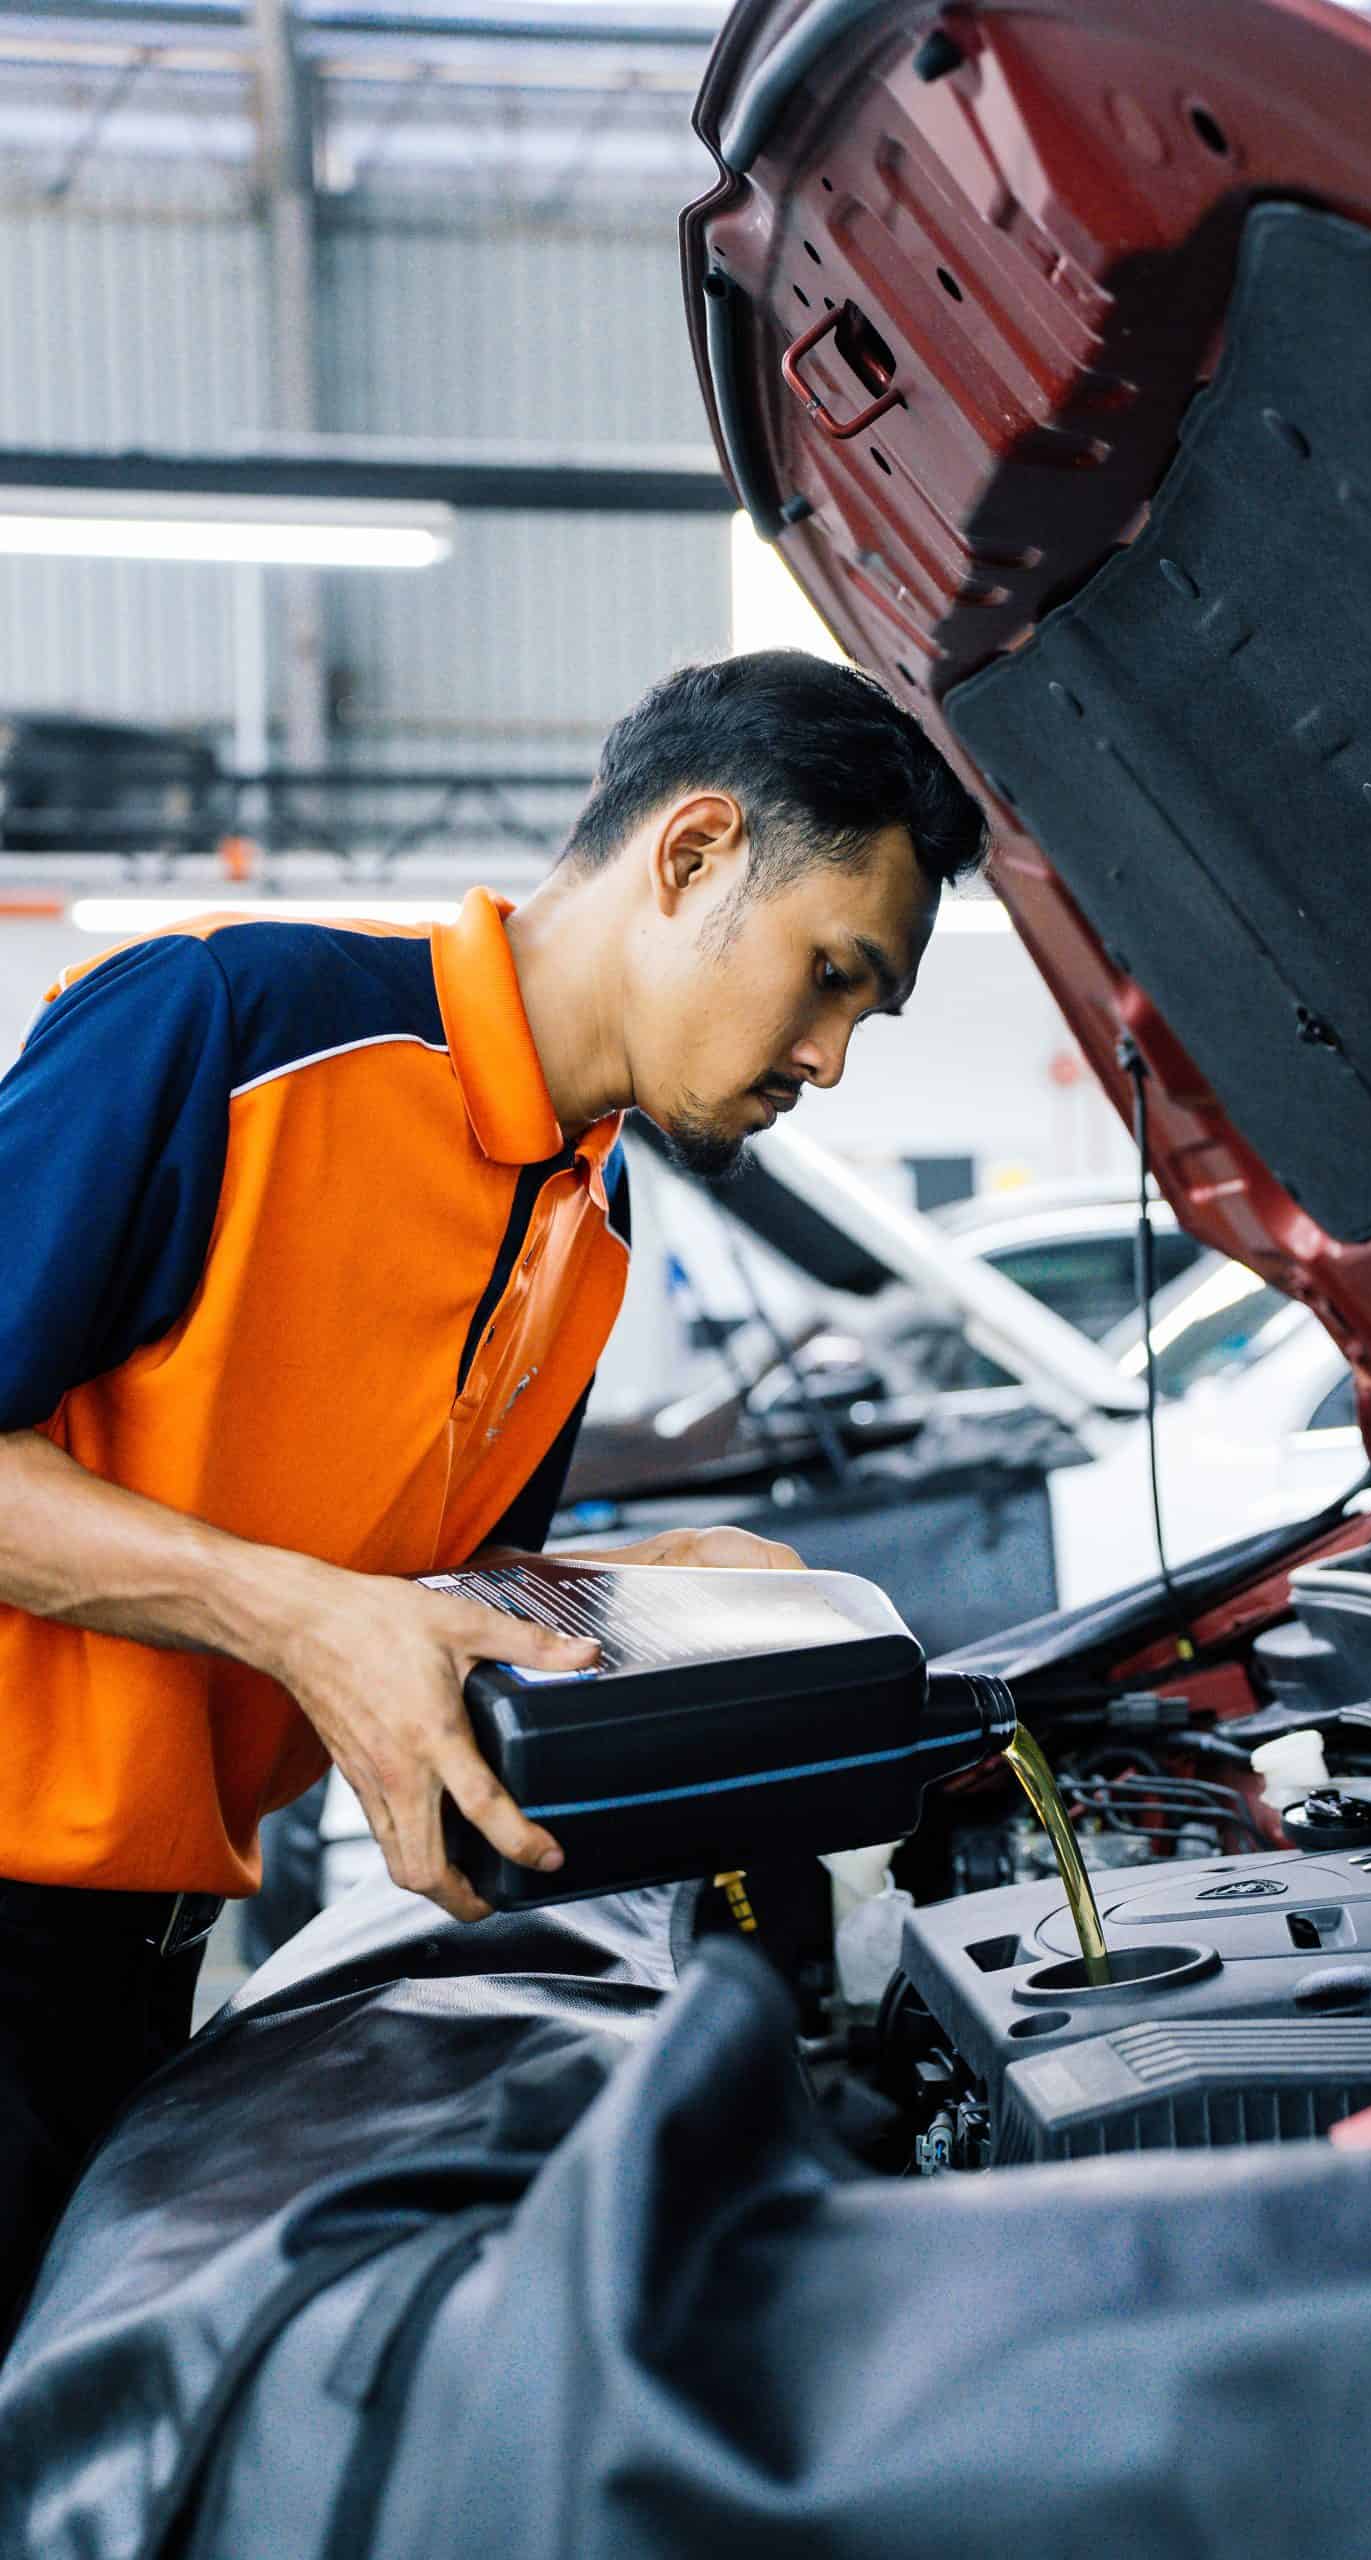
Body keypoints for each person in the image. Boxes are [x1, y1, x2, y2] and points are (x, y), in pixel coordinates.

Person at [0, 648, 987, 2325]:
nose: (829, 1060)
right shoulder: (229, 1023)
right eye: (831, 976)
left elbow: (434, 1591)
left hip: (132, 1946)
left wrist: (652, 1581)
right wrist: (300, 1622)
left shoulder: (581, 1231)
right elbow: (320, 1606)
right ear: (689, 858)